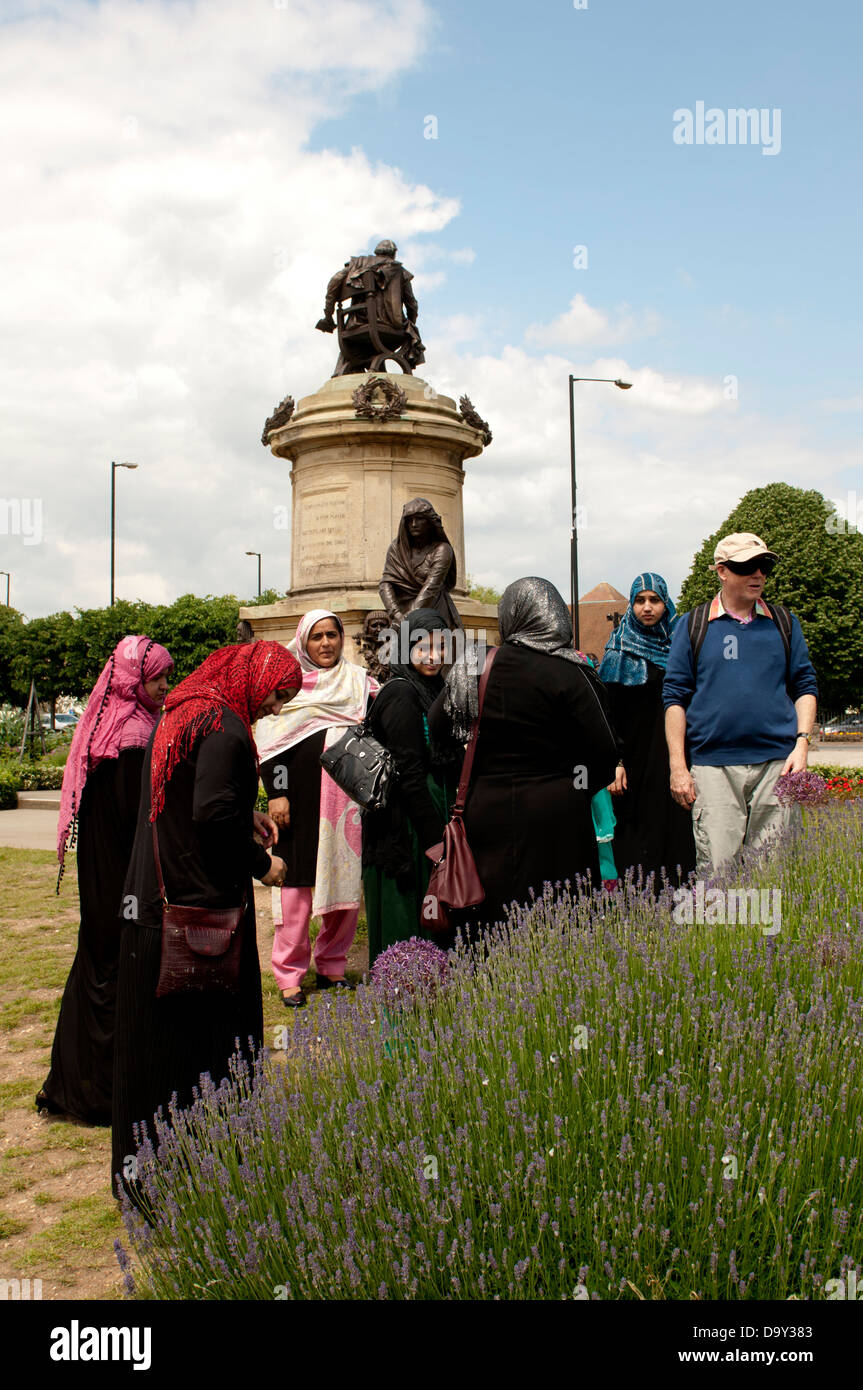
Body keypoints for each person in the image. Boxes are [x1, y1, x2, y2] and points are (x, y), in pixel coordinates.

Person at [111, 642, 300, 1202]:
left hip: (153, 908)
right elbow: (212, 815)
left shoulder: (186, 707)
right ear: (252, 678)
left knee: (156, 1055)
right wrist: (263, 864)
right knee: (209, 1048)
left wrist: (249, 813)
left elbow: (199, 798)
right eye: (275, 693)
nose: (274, 707)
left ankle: (147, 1177)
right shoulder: (224, 726)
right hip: (201, 914)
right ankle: (206, 1176)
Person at [430, 577, 620, 935]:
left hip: (486, 807)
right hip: (557, 810)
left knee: (487, 916)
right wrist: (577, 783)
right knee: (560, 915)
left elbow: (438, 726)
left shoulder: (476, 663)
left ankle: (486, 985)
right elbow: (605, 749)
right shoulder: (571, 670)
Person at [36, 636, 174, 1125]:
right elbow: (138, 820)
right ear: (134, 679)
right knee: (119, 969)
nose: (163, 686)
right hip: (123, 881)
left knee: (97, 964)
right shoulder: (132, 739)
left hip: (101, 882)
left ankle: (81, 1086)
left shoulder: (104, 731)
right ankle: (105, 1094)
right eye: (156, 677)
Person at [662, 533, 818, 878]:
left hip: (777, 765)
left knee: (774, 874)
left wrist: (802, 743)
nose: (758, 574)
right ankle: (721, 933)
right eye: (747, 566)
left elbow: (805, 686)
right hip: (714, 767)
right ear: (722, 571)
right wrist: (678, 767)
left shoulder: (785, 624)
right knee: (718, 874)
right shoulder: (693, 625)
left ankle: (770, 935)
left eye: (763, 566)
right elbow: (675, 698)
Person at [256, 610, 378, 1008]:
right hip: (298, 806)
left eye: (332, 635)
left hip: (345, 807)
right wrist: (277, 792)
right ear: (303, 642)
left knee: (343, 884)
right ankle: (289, 973)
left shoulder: (358, 684)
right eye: (317, 637)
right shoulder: (290, 688)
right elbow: (270, 743)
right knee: (295, 888)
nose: (326, 643)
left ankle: (332, 965)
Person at [362, 609, 463, 966]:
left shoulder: (434, 689)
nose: (433, 656)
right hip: (406, 829)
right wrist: (435, 841)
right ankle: (404, 1011)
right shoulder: (402, 695)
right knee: (406, 922)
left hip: (426, 822)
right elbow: (408, 773)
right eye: (423, 647)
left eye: (440, 647)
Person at [598, 573, 696, 890]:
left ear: (666, 604)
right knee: (635, 830)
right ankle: (638, 906)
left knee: (675, 825)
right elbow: (607, 714)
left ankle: (680, 896)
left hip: (674, 757)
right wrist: (616, 762)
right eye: (640, 601)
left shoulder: (682, 648)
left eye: (654, 600)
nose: (647, 607)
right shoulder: (617, 653)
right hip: (633, 762)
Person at [379, 498, 462, 630]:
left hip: (433, 614)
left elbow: (431, 588)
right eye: (409, 520)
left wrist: (407, 619)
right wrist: (396, 614)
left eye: (419, 519)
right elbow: (385, 584)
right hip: (401, 616)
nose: (414, 524)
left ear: (430, 522)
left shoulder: (442, 550)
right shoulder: (396, 548)